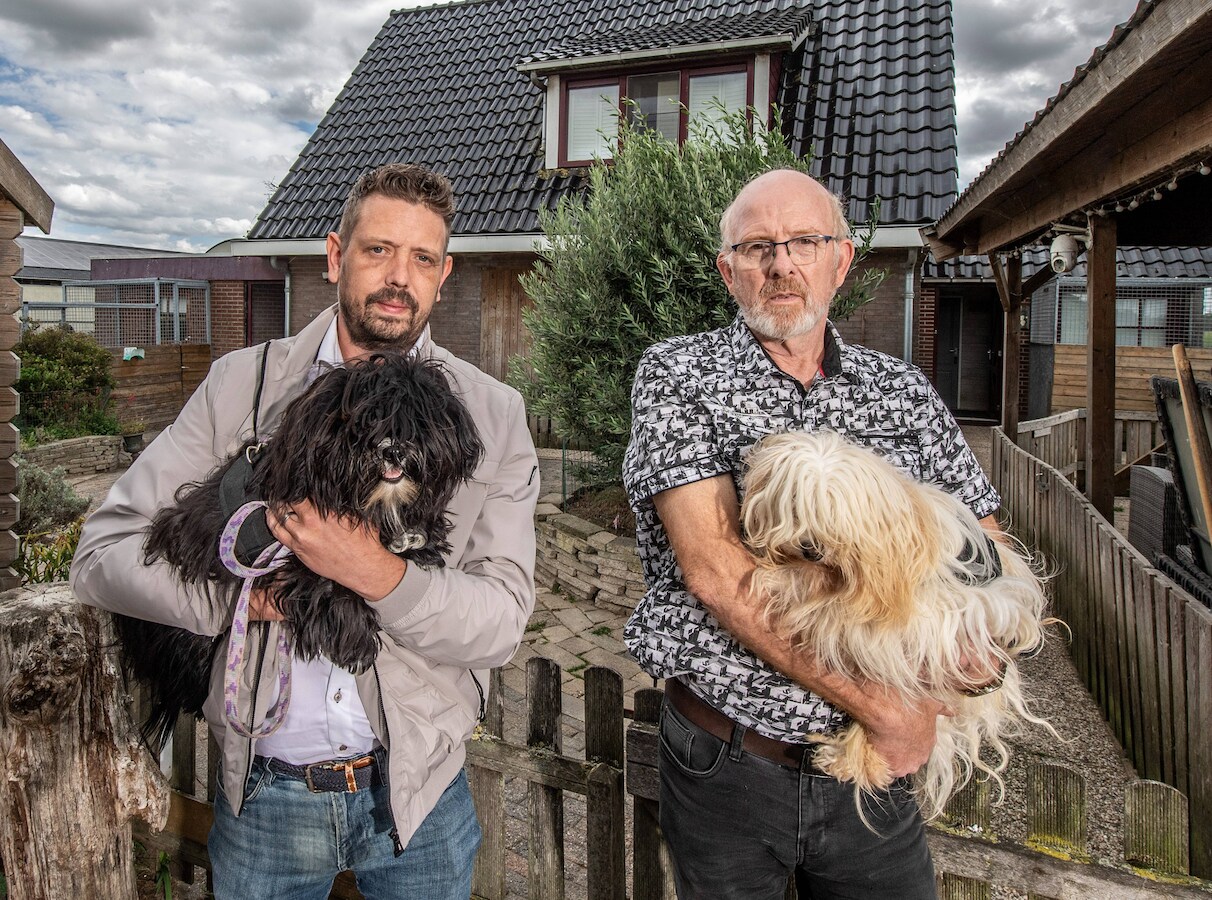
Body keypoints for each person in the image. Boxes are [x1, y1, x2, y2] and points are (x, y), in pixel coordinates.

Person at [70, 163, 540, 898]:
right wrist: (241, 602)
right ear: (334, 255)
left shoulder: (494, 414)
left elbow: (502, 621)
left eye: (422, 258)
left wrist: (372, 571)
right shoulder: (240, 386)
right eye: (378, 250)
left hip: (419, 798)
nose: (399, 277)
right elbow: (100, 556)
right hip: (265, 797)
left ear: (444, 275)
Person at [622, 168, 1002, 899]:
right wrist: (886, 711)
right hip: (731, 757)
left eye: (804, 242)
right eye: (757, 247)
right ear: (728, 270)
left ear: (841, 260)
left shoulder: (903, 393)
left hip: (873, 772)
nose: (782, 265)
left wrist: (976, 653)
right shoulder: (680, 376)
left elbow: (986, 545)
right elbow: (714, 572)